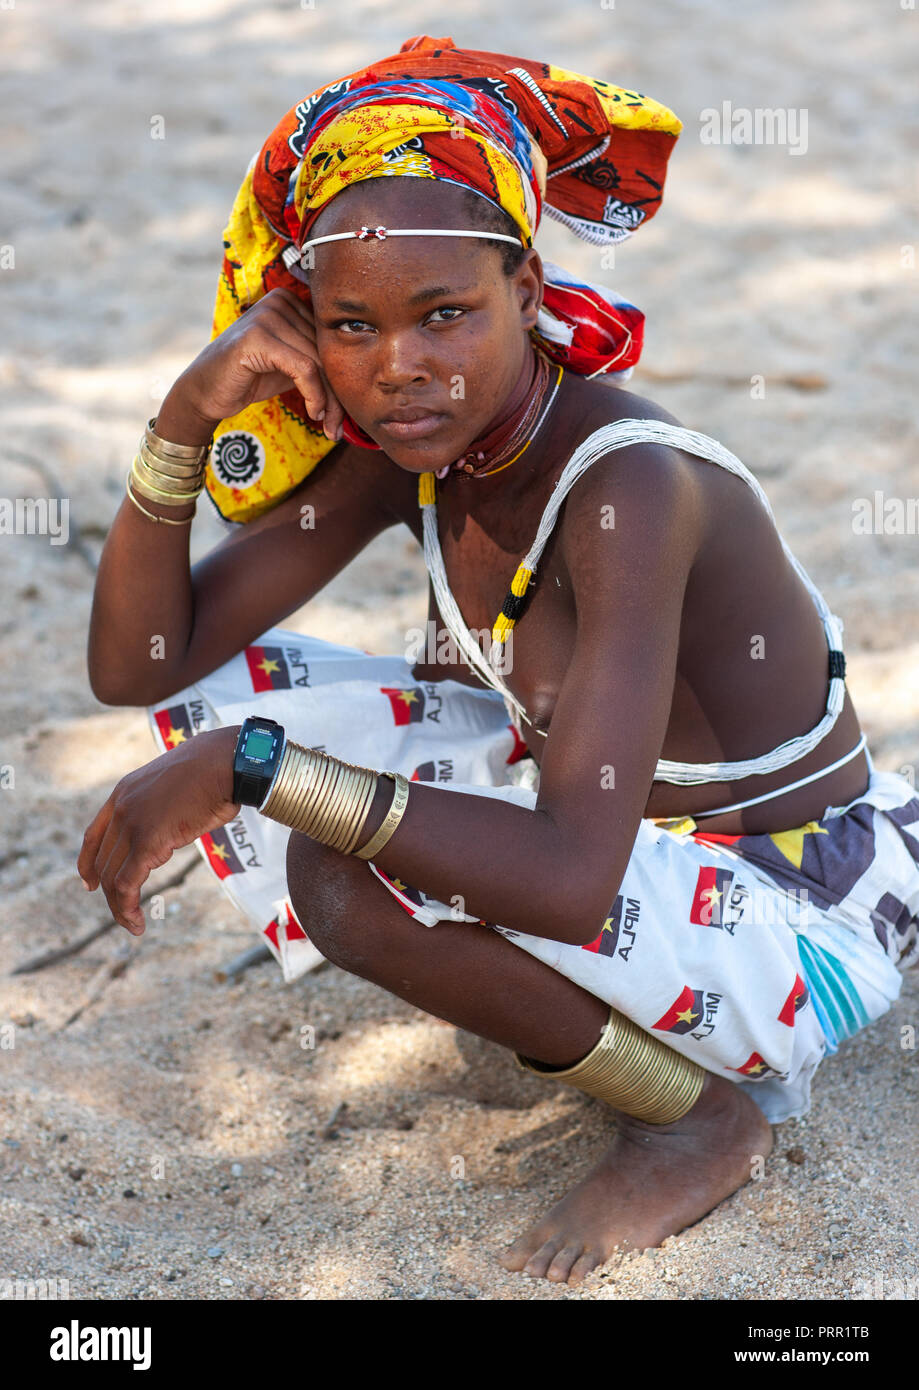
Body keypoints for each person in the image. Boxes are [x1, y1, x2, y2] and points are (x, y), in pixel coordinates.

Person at [78, 37, 919, 1287]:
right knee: (227, 692)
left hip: (790, 907)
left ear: (527, 289)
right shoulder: (411, 447)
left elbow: (575, 878)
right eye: (350, 326)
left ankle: (692, 1116)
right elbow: (141, 661)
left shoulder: (631, 484)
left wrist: (253, 770)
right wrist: (184, 417)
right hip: (607, 829)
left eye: (446, 314)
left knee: (343, 864)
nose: (400, 364)